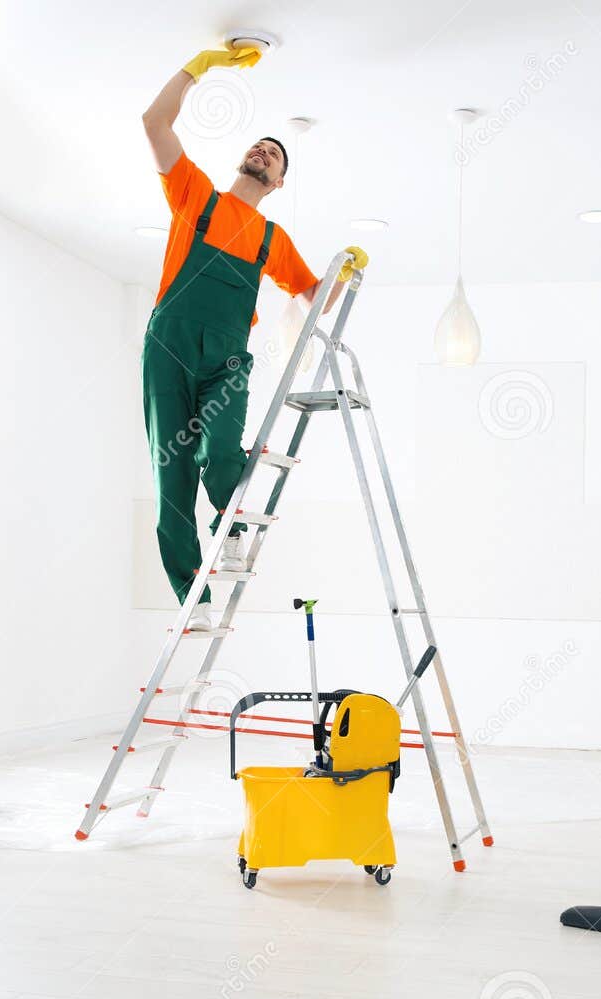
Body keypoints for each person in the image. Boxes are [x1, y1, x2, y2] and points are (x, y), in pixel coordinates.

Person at [141, 43, 364, 631]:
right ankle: (194, 603)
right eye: (259, 146)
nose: (264, 151)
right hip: (168, 346)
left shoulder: (272, 238)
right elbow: (154, 121)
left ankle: (230, 526)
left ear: (280, 181)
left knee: (220, 456)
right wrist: (200, 65)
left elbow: (314, 300)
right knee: (172, 479)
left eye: (275, 154)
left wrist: (344, 269)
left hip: (225, 360)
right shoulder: (195, 197)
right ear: (245, 160)